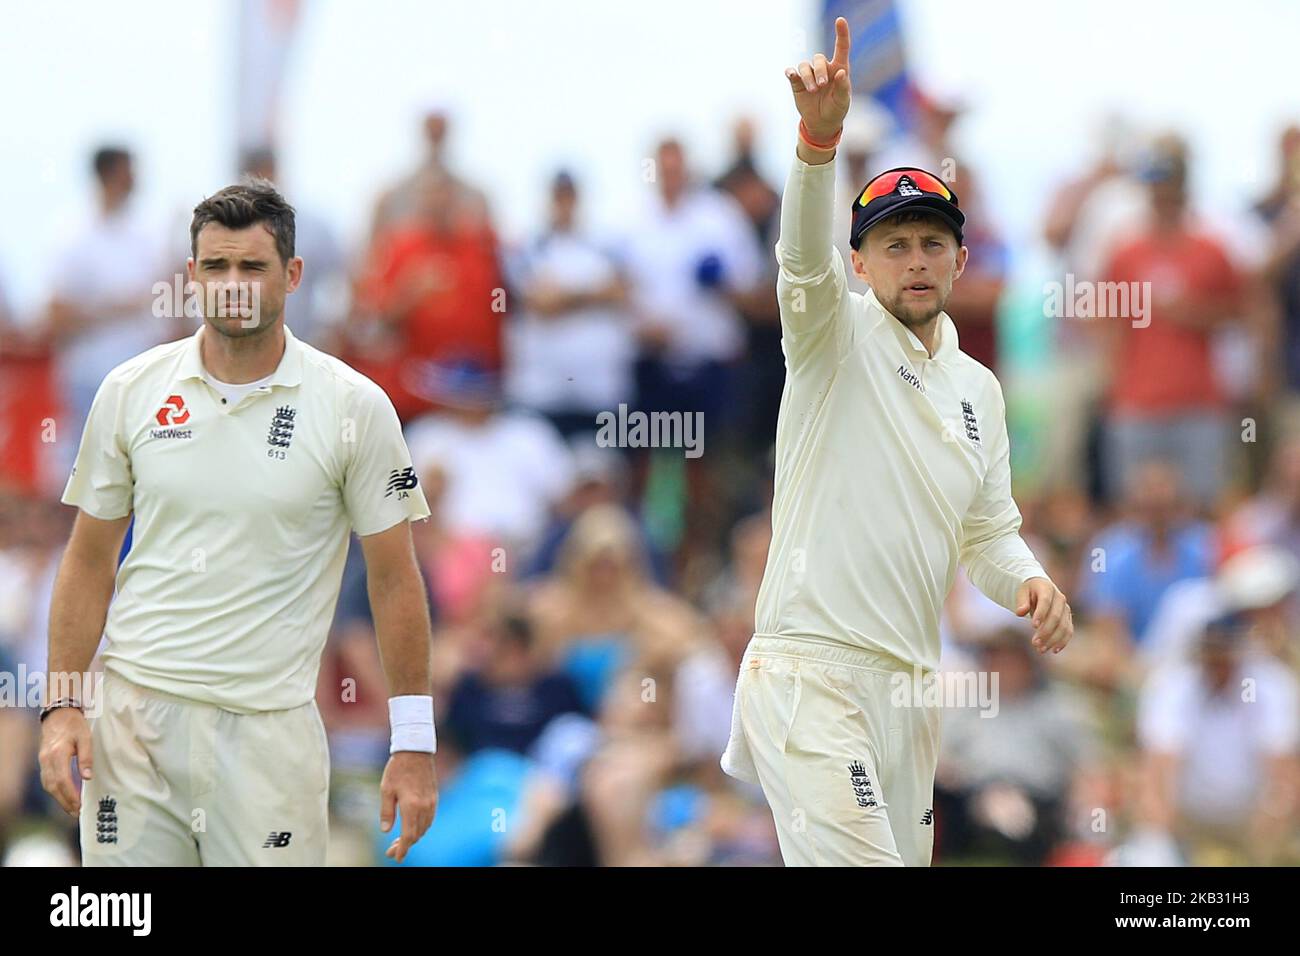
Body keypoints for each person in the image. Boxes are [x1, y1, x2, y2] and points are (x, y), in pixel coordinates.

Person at [720, 18, 1072, 867]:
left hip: (911, 692)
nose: (915, 260)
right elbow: (799, 266)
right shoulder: (829, 334)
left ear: (957, 261)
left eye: (931, 244)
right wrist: (818, 143)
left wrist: (1027, 580)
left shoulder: (977, 388)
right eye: (894, 245)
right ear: (863, 263)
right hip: (811, 673)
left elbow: (984, 532)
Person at [38, 179, 439, 866]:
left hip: (268, 738)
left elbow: (395, 579)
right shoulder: (130, 391)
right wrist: (62, 705)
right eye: (216, 266)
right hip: (133, 725)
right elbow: (87, 559)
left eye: (252, 267)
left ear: (293, 275)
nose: (233, 284)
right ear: (192, 275)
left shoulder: (355, 407)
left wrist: (414, 742)